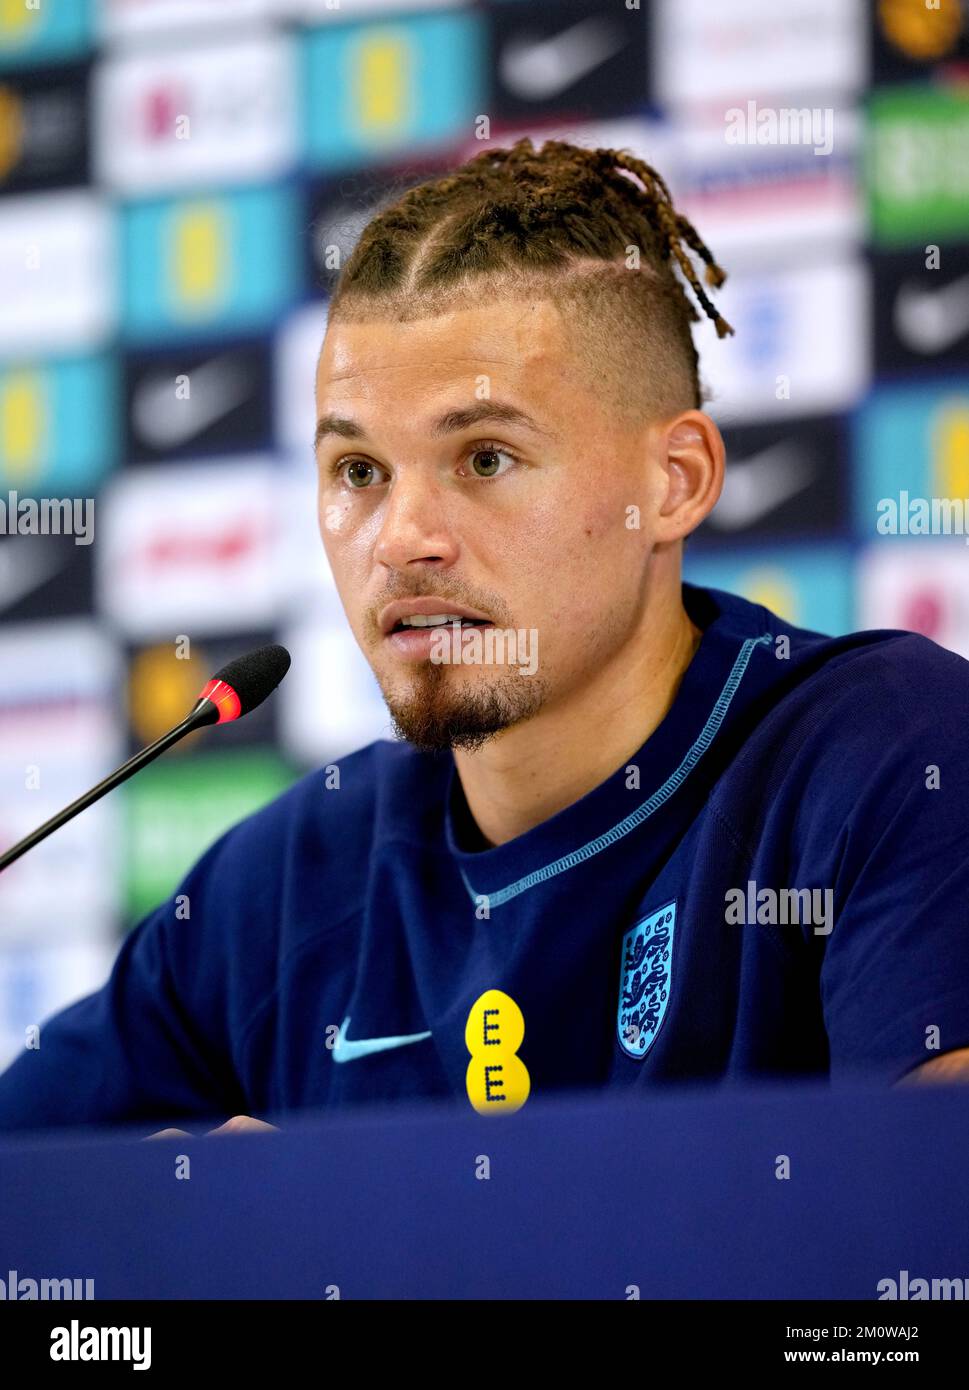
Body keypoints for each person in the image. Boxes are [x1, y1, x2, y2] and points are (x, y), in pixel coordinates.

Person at [2, 138, 968, 1137]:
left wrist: (327, 1232)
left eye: (486, 456)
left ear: (673, 482)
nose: (404, 539)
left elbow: (934, 1234)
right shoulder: (281, 890)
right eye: (360, 472)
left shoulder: (892, 757)